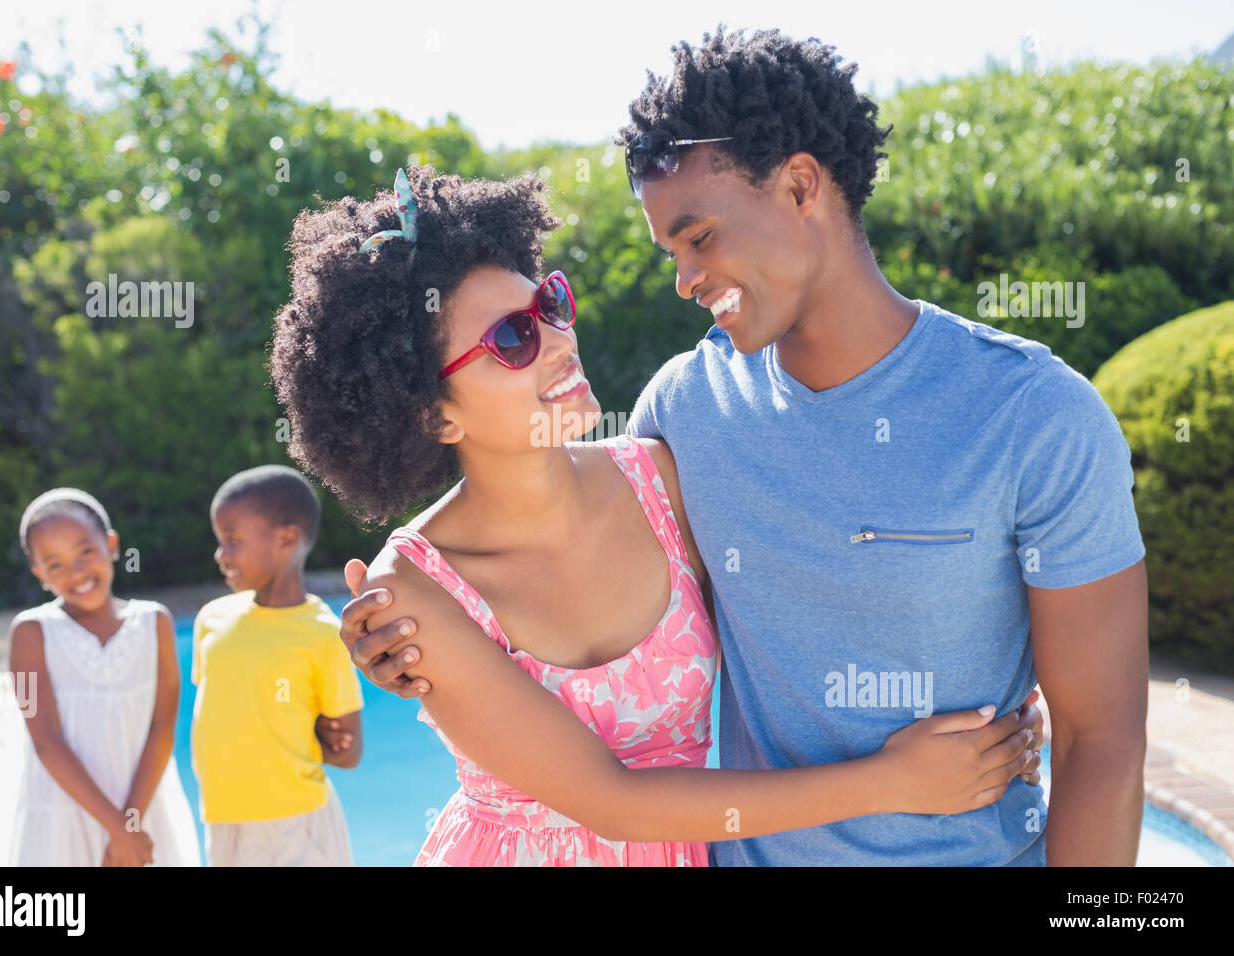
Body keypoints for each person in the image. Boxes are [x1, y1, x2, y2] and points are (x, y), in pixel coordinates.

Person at [352, 27, 1149, 867]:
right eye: (670, 251)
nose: (684, 279)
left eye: (699, 238)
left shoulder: (1038, 417)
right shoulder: (682, 418)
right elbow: (546, 553)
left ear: (802, 185)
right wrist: (404, 644)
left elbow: (1103, 740)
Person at [269, 164, 1043, 866]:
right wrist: (895, 782)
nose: (557, 339)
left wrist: (988, 695)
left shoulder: (660, 476)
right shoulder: (416, 596)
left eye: (549, 304)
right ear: (433, 415)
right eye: (512, 339)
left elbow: (816, 599)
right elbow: (611, 803)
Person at [8, 488, 200, 866]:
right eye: (56, 564)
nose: (76, 572)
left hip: (143, 810)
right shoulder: (30, 633)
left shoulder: (155, 622)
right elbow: (46, 740)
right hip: (63, 813)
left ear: (112, 544)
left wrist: (130, 824)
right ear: (40, 574)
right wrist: (117, 829)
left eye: (85, 552)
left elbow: (161, 728)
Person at [191, 465, 365, 866]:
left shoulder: (322, 634)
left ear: (287, 539)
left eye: (232, 541)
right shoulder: (211, 619)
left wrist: (313, 731)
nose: (221, 555)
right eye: (220, 542)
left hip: (296, 822)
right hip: (223, 820)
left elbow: (349, 751)